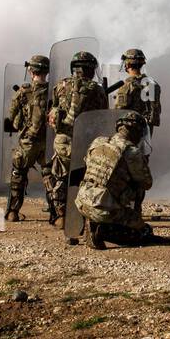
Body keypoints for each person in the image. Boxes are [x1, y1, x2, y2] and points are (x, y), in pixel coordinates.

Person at [75, 110, 155, 248]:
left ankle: (95, 222)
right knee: (144, 232)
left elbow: (87, 165)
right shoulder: (131, 152)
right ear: (135, 131)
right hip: (104, 206)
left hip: (82, 201)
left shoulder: (98, 141)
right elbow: (147, 183)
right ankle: (101, 231)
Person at [46, 51, 107, 228]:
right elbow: (102, 117)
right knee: (86, 179)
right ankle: (84, 216)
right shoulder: (96, 90)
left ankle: (61, 215)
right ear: (91, 69)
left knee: (61, 178)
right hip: (86, 141)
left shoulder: (59, 86)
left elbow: (54, 110)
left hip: (63, 140)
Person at [4, 54, 49, 222]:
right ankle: (59, 214)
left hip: (28, 142)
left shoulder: (23, 91)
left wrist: (19, 124)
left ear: (31, 71)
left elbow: (12, 117)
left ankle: (13, 212)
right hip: (48, 142)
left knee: (18, 174)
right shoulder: (54, 91)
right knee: (50, 175)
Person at [113, 48, 161, 128]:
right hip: (146, 132)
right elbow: (155, 112)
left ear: (127, 64)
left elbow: (117, 113)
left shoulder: (127, 85)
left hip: (129, 132)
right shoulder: (153, 84)